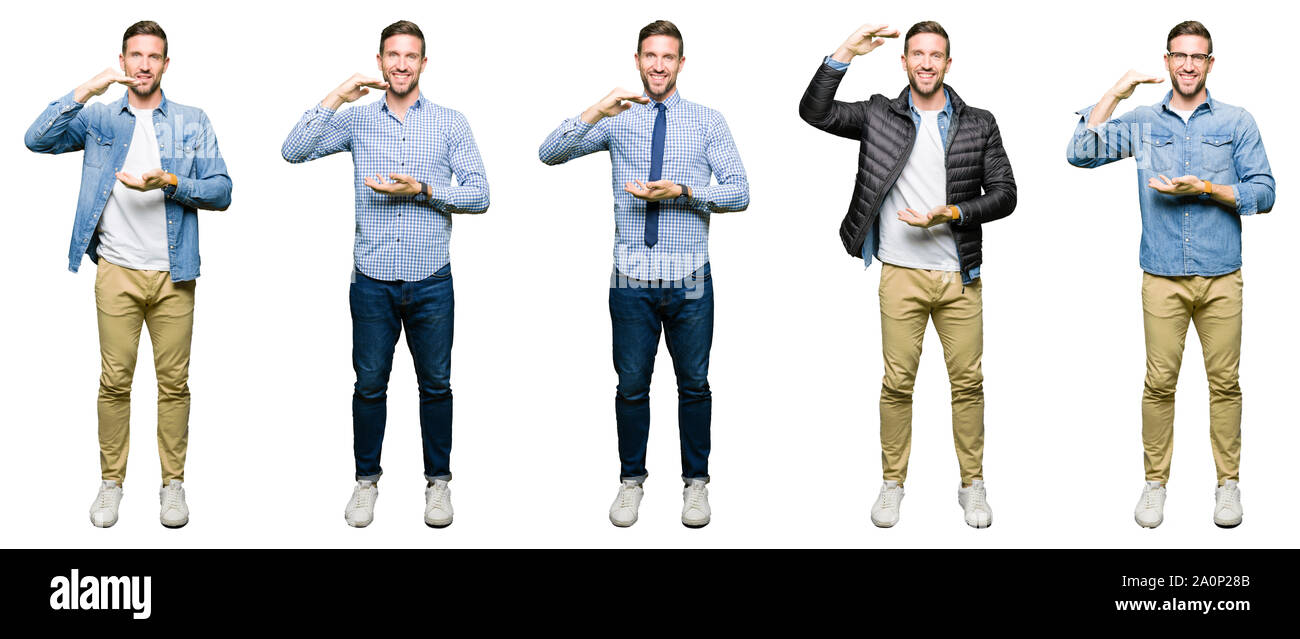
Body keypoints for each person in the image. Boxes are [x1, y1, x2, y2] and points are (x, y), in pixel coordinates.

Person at [799, 21, 1016, 528]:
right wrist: (845, 52)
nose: (925, 63)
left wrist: (955, 213)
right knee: (897, 384)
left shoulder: (979, 123)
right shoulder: (879, 115)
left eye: (935, 55)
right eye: (916, 54)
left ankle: (972, 484)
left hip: (960, 277)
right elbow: (815, 112)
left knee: (968, 383)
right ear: (903, 62)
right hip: (900, 274)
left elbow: (1006, 194)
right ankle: (892, 483)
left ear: (947, 63)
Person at [539, 19, 749, 528]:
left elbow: (740, 193)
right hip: (630, 277)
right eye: (650, 56)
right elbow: (548, 153)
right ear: (637, 60)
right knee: (631, 385)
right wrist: (596, 109)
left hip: (689, 279)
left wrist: (684, 192)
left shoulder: (707, 122)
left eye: (668, 57)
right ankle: (631, 481)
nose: (658, 66)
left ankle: (695, 485)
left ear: (681, 63)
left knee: (694, 385)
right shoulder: (618, 119)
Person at [24, 20, 233, 529]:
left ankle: (172, 484)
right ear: (122, 63)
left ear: (166, 63)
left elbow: (223, 190)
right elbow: (36, 139)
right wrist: (86, 89)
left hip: (174, 274)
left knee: (174, 384)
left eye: (153, 56)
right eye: (135, 56)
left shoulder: (191, 120)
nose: (143, 65)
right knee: (114, 382)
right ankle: (111, 482)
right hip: (115, 271)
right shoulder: (99, 119)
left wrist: (173, 183)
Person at [1067, 20, 1274, 529]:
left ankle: (1228, 485)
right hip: (1161, 276)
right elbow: (1080, 151)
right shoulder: (1142, 121)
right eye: (1179, 56)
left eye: (1197, 57)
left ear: (1210, 63)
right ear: (1166, 61)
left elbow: (1265, 192)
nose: (1187, 65)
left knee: (1224, 383)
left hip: (1221, 275)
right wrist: (1115, 92)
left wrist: (1206, 187)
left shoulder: (1236, 121)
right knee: (1159, 383)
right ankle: (1155, 483)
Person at [282, 19, 489, 529]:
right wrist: (336, 94)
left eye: (410, 56)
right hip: (371, 281)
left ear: (424, 63)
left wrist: (421, 188)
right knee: (370, 385)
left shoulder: (450, 123)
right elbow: (292, 150)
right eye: (392, 55)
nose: (400, 64)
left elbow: (480, 195)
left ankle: (438, 484)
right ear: (379, 62)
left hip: (431, 282)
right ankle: (366, 482)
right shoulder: (357, 122)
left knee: (436, 385)